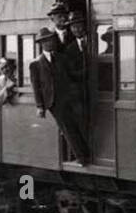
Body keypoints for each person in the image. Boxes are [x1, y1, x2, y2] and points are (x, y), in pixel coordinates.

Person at [29, 26, 91, 165]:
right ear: (41, 44)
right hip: (53, 102)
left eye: (51, 40)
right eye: (47, 41)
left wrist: (87, 71)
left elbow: (72, 75)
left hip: (69, 98)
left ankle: (84, 154)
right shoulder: (35, 64)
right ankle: (81, 158)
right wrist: (40, 107)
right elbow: (36, 88)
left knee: (78, 124)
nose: (51, 43)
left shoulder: (62, 58)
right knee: (67, 128)